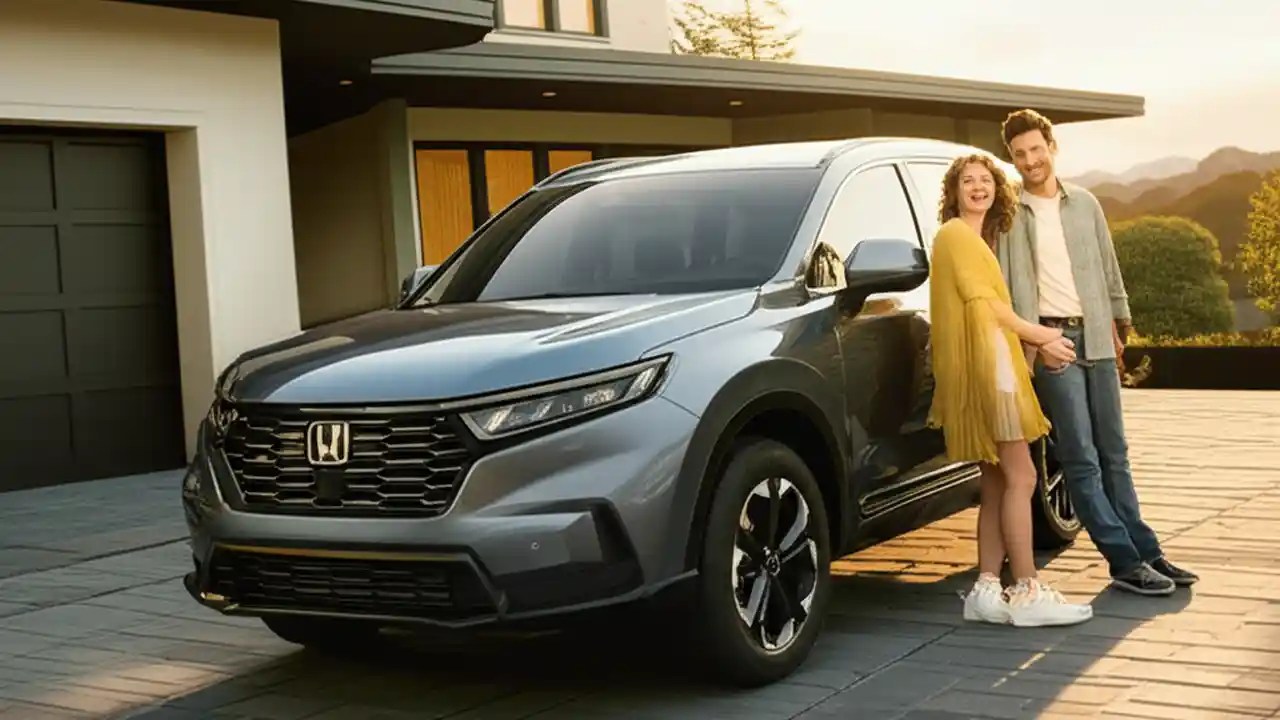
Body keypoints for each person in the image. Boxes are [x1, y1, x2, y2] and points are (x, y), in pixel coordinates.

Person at [997, 108, 1199, 595]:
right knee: (1081, 457)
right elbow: (1006, 289)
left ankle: (1148, 551)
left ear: (1051, 148)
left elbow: (1109, 270)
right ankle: (1123, 560)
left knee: (1116, 452)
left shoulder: (1085, 204)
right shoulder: (1010, 217)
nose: (1030, 161)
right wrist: (1035, 343)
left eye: (1036, 150)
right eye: (1020, 155)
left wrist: (1118, 324)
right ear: (1013, 158)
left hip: (1097, 335)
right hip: (1053, 342)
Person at [927, 153, 1093, 627]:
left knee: (998, 482)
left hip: (989, 367)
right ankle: (1026, 588)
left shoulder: (974, 239)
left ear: (997, 190)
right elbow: (990, 311)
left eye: (986, 180)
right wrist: (1043, 336)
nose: (978, 187)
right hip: (990, 372)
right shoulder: (957, 235)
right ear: (954, 192)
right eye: (967, 181)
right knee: (1023, 478)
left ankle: (984, 590)